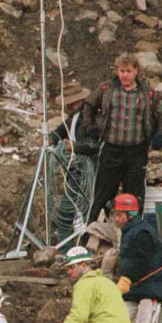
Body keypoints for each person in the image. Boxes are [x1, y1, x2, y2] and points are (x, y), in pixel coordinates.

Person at [81, 53, 162, 224]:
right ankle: (93, 232)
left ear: (136, 71)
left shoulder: (147, 93)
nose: (124, 75)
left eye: (128, 71)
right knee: (102, 194)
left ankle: (134, 231)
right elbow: (88, 106)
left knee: (135, 196)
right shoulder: (106, 89)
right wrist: (89, 128)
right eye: (121, 71)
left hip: (136, 151)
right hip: (111, 149)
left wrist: (159, 135)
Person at [112, 193, 162, 323]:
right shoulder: (129, 231)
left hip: (150, 289)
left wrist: (127, 278)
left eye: (119, 215)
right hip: (134, 289)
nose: (116, 219)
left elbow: (141, 262)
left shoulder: (142, 232)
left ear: (131, 214)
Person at [47, 80, 101, 241]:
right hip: (75, 171)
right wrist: (51, 139)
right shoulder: (73, 118)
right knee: (65, 212)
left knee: (87, 209)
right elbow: (60, 132)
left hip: (91, 169)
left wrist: (74, 147)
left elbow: (94, 143)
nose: (70, 106)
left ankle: (84, 242)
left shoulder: (92, 118)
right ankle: (66, 246)